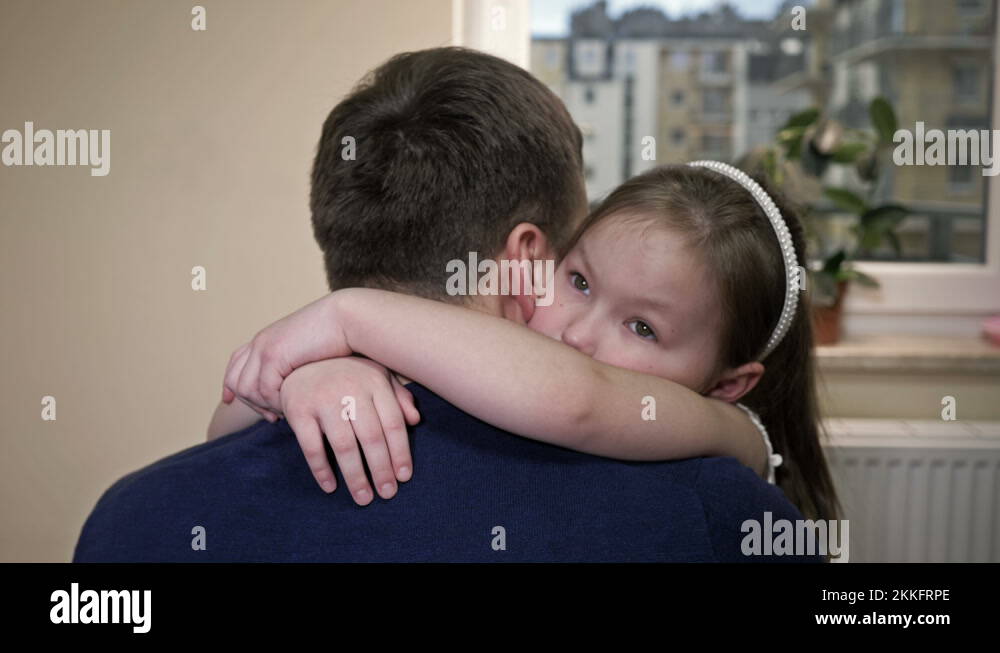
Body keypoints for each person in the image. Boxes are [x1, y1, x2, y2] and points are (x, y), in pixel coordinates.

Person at [73, 48, 822, 562]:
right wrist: (314, 368)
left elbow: (582, 401)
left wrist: (346, 326)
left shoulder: (131, 520)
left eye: (643, 325)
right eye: (579, 278)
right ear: (529, 257)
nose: (584, 334)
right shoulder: (717, 517)